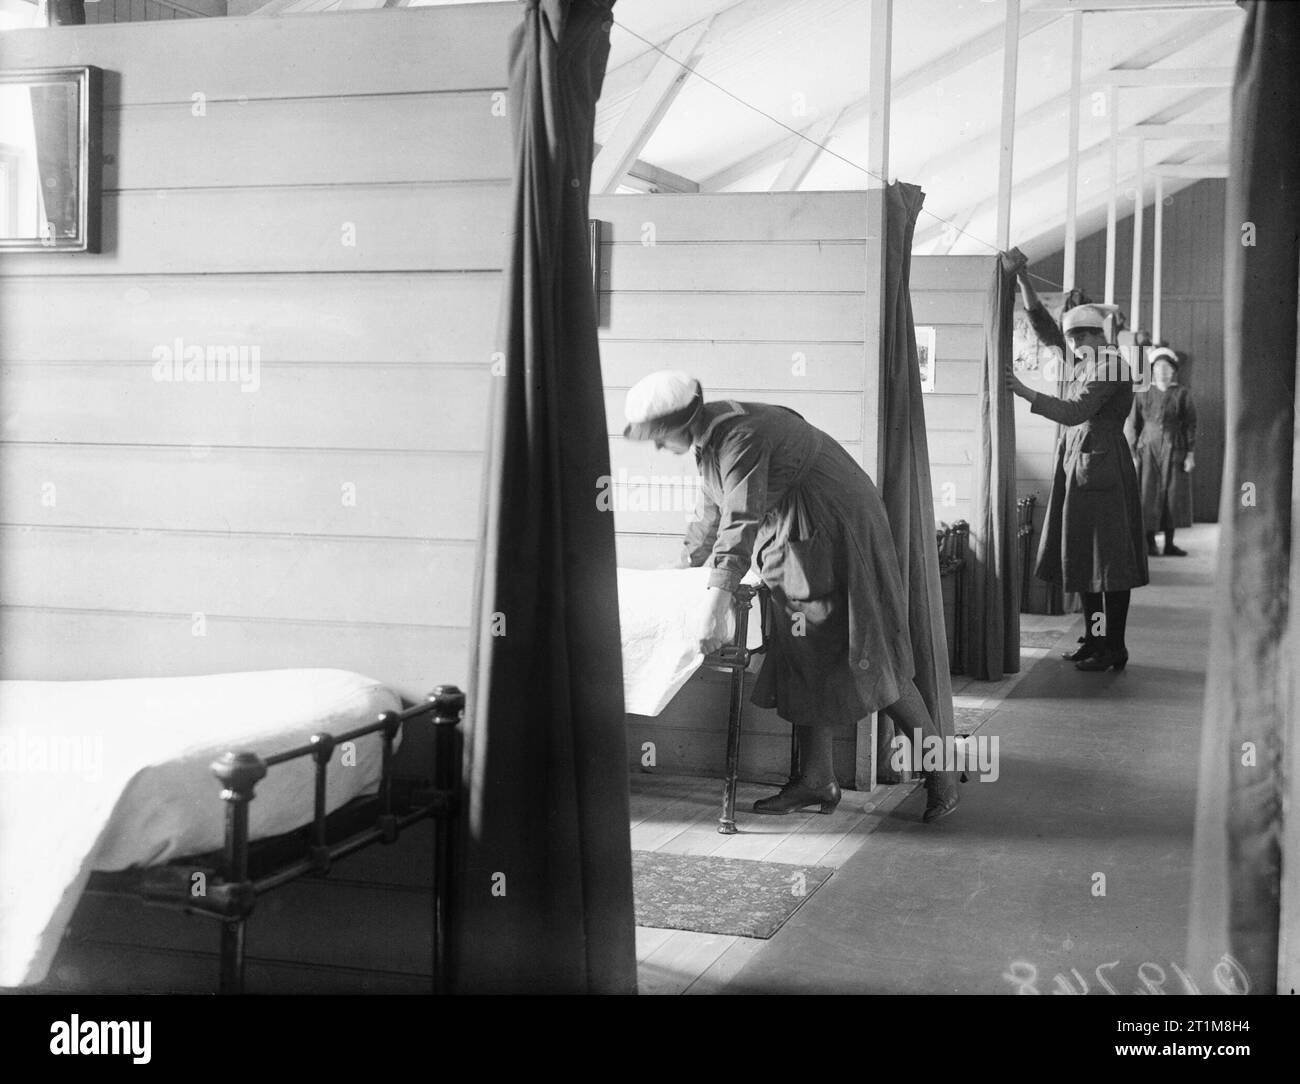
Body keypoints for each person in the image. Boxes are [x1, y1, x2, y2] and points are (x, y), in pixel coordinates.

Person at [622, 370, 959, 822]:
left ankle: (943, 773)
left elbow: (738, 523)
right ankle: (817, 781)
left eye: (660, 438)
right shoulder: (712, 438)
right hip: (798, 539)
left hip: (838, 534)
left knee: (872, 658)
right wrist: (684, 566)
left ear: (684, 423)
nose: (659, 448)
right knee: (805, 655)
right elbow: (711, 512)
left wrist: (713, 609)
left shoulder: (739, 436)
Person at [1003, 255, 1149, 671]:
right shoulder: (1085, 362)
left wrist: (1024, 391)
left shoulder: (1113, 367)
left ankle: (1113, 647)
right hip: (1081, 465)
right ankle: (1095, 639)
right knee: (1086, 559)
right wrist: (1024, 278)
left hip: (1103, 469)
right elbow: (1043, 326)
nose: (1068, 346)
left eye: (1074, 339)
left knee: (1110, 564)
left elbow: (1074, 411)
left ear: (1091, 334)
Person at [1127, 346, 1197, 556]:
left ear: (1173, 371)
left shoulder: (1182, 394)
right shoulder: (1143, 393)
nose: (1163, 372)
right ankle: (1149, 543)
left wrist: (1190, 454)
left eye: (1167, 368)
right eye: (1158, 367)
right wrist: (1133, 454)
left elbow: (1190, 425)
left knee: (1173, 496)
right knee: (1148, 494)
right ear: (1153, 370)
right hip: (1148, 450)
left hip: (1175, 449)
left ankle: (1169, 543)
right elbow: (1133, 424)